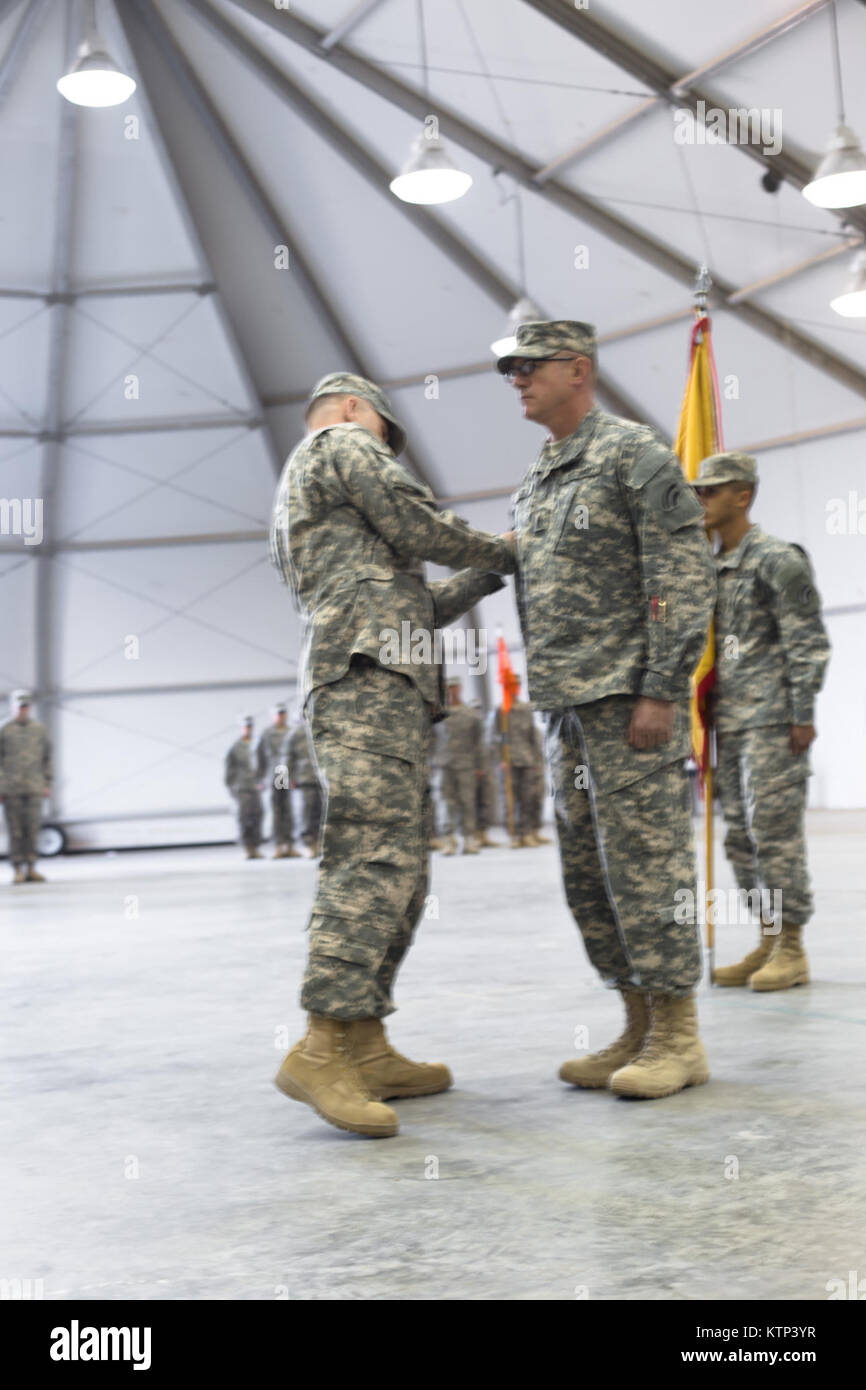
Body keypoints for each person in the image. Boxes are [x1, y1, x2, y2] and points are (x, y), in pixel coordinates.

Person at [269, 371, 516, 1137]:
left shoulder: (329, 498)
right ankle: (319, 1047)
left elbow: (417, 600)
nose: (387, 449)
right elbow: (421, 527)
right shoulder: (340, 443)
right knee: (372, 857)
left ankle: (364, 1044)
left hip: (386, 675)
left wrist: (481, 574)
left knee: (404, 870)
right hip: (364, 679)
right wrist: (506, 548)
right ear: (352, 407)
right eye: (386, 433)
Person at [500, 320, 715, 1099]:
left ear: (577, 369)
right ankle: (635, 1022)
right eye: (510, 370)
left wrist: (662, 687)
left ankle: (679, 1038)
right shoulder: (542, 474)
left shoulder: (633, 453)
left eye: (529, 367)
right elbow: (521, 566)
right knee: (590, 876)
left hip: (629, 702)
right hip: (564, 707)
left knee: (647, 869)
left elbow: (681, 578)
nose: (517, 380)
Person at [694, 452, 830, 991]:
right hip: (726, 723)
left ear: (742, 495)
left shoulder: (777, 559)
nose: (700, 500)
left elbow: (807, 641)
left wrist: (802, 713)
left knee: (774, 834)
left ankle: (792, 946)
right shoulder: (704, 566)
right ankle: (769, 938)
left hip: (773, 719)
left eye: (711, 491)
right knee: (740, 839)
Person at [488, 683, 549, 848]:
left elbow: (532, 736)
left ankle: (528, 832)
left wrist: (537, 760)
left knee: (529, 797)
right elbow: (493, 738)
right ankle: (515, 836)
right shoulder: (500, 710)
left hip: (527, 760)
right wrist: (499, 760)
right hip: (508, 763)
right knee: (510, 800)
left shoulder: (526, 709)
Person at [0, 690, 51, 884]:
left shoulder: (39, 730)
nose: (23, 710)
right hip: (11, 790)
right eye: (20, 706)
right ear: (13, 707)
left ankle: (31, 867)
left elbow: (47, 758)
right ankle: (17, 869)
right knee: (15, 831)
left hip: (34, 787)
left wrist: (47, 782)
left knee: (32, 829)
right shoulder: (5, 731)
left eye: (26, 706)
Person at [435, 678, 483, 855]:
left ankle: (469, 838)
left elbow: (479, 742)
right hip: (443, 764)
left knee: (467, 801)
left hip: (466, 764)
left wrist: (479, 766)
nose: (451, 691)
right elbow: (430, 739)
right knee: (444, 802)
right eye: (448, 688)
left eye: (454, 687)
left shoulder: (471, 714)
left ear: (460, 688)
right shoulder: (437, 714)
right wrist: (430, 762)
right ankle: (448, 839)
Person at [257, 702, 295, 859]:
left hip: (288, 774)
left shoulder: (292, 732)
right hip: (275, 774)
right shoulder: (266, 733)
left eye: (282, 713)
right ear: (272, 716)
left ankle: (290, 845)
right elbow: (259, 758)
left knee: (291, 811)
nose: (280, 716)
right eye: (277, 714)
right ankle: (279, 846)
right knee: (277, 812)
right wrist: (260, 778)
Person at [224, 716, 264, 860]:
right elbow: (229, 770)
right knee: (244, 818)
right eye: (245, 727)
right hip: (242, 788)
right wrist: (231, 788)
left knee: (257, 816)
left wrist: (264, 781)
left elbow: (264, 765)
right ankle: (247, 847)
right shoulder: (235, 747)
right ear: (241, 728)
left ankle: (256, 847)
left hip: (256, 787)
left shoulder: (258, 744)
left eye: (249, 726)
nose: (248, 729)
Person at [287, 717, 322, 857]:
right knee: (306, 814)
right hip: (304, 780)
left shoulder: (320, 730)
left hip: (321, 778)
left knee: (321, 813)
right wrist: (283, 783)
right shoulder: (295, 734)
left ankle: (320, 844)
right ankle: (309, 845)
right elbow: (286, 757)